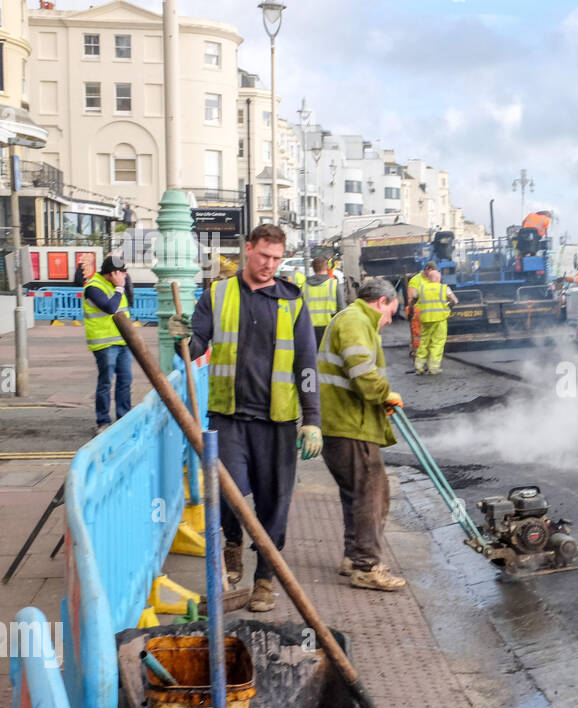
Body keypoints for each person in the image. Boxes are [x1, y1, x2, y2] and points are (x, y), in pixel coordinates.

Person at [171, 224, 322, 613]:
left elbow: (306, 361)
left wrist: (312, 418)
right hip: (229, 417)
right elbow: (198, 343)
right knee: (229, 492)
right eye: (263, 256)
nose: (270, 265)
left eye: (277, 258)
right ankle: (233, 542)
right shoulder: (218, 294)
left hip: (277, 421)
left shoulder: (292, 300)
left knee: (275, 503)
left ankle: (265, 580)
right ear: (248, 250)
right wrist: (184, 340)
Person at [318, 278, 407, 592]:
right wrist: (385, 394)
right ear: (381, 302)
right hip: (350, 425)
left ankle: (353, 557)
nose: (390, 320)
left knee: (355, 494)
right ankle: (367, 567)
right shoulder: (356, 322)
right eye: (391, 312)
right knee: (373, 494)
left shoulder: (350, 319)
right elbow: (364, 376)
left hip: (342, 422)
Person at [82, 256, 133, 434]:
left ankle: (123, 418)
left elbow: (128, 305)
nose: (125, 277)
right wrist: (119, 287)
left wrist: (123, 285)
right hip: (104, 344)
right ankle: (103, 422)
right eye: (122, 273)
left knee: (125, 381)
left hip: (123, 342)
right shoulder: (93, 288)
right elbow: (110, 307)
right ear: (112, 273)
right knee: (106, 382)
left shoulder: (115, 286)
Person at [409, 266, 458, 374]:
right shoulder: (444, 288)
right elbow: (454, 300)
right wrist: (447, 306)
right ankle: (433, 368)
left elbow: (413, 300)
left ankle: (419, 367)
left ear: (429, 279)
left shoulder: (421, 288)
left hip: (426, 320)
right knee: (437, 343)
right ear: (439, 278)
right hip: (440, 320)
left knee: (423, 343)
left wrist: (411, 312)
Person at [303, 256, 346, 348]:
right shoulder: (334, 285)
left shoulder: (304, 286)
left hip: (309, 328)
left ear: (313, 268)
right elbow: (342, 309)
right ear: (326, 267)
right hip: (329, 327)